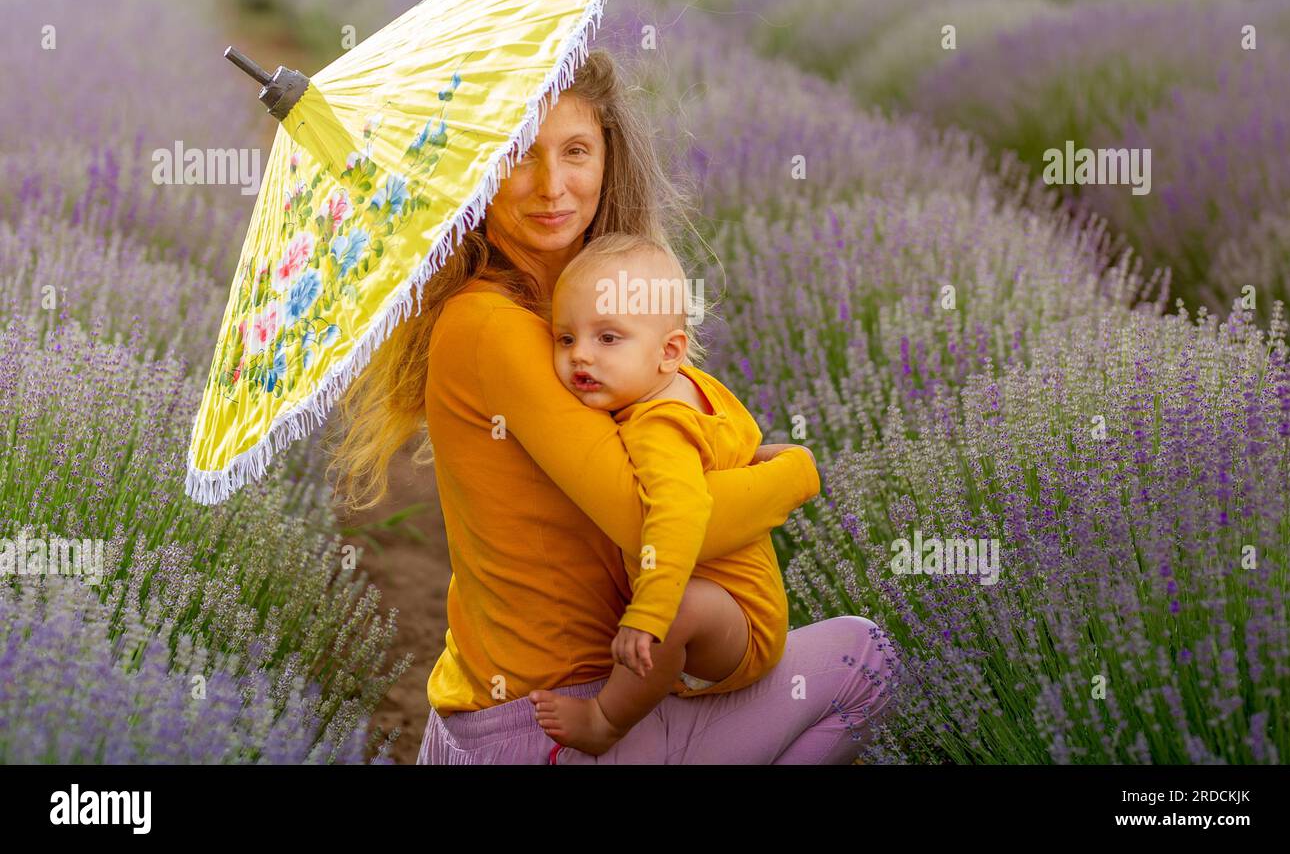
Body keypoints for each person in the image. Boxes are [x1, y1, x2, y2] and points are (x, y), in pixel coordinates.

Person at [328, 48, 898, 764]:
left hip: (500, 707)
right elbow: (647, 523)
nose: (552, 187)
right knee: (865, 659)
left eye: (575, 151)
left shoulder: (569, 311)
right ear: (477, 172)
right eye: (519, 157)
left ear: (608, 156)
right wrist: (795, 477)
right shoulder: (491, 324)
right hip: (551, 725)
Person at [530, 231, 803, 757]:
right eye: (565, 338)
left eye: (608, 338)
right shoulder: (694, 386)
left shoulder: (659, 426)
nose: (580, 355)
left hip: (739, 629)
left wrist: (647, 615)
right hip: (745, 611)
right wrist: (792, 468)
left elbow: (680, 510)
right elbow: (746, 450)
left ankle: (605, 720)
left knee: (677, 611)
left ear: (668, 351)